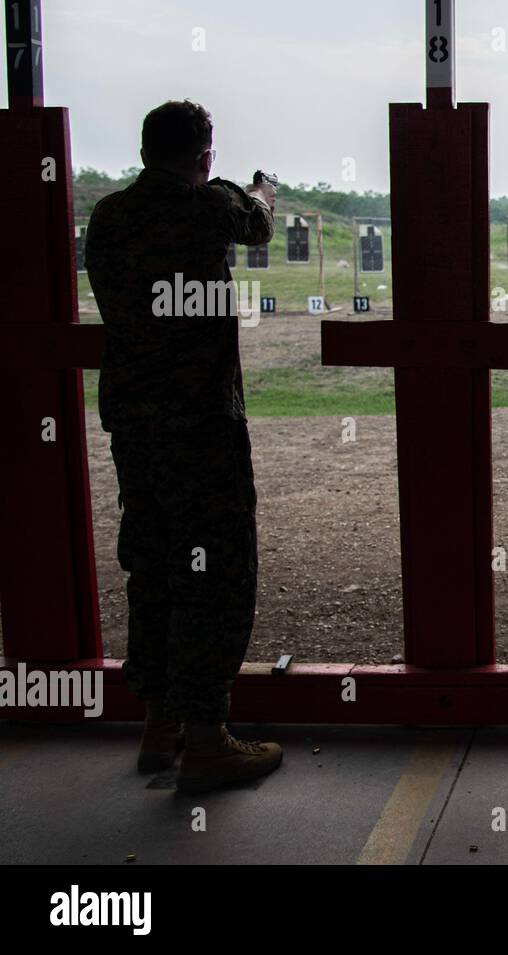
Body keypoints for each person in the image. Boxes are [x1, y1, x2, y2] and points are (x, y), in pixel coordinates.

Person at [84, 100, 282, 793]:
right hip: (202, 426)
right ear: (204, 156)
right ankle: (206, 739)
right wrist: (260, 188)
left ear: (145, 151)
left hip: (135, 427)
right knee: (213, 572)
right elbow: (257, 222)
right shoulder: (209, 206)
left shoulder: (109, 216)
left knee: (154, 565)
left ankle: (157, 724)